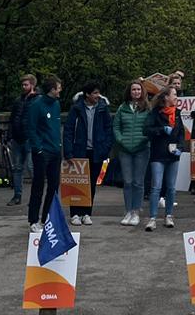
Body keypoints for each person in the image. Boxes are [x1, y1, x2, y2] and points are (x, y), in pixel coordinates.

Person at [63, 80, 112, 225]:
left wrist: (105, 148)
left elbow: (109, 129)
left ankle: (86, 213)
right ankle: (75, 214)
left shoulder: (103, 109)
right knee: (76, 183)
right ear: (87, 94)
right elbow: (68, 131)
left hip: (96, 151)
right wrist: (68, 152)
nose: (98, 95)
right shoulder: (76, 109)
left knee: (91, 184)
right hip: (79, 151)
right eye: (95, 93)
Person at [145, 86, 187, 230]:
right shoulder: (155, 113)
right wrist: (161, 130)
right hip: (158, 153)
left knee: (171, 187)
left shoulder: (177, 114)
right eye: (174, 94)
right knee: (156, 186)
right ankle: (152, 217)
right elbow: (147, 130)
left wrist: (181, 148)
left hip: (173, 154)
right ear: (166, 97)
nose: (176, 97)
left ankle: (169, 215)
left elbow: (181, 133)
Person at [26, 75, 64, 230]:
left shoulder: (56, 104)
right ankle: (33, 220)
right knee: (38, 185)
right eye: (58, 87)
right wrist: (38, 148)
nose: (60, 90)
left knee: (54, 186)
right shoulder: (36, 105)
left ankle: (47, 217)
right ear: (52, 89)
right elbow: (31, 128)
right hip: (43, 151)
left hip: (55, 150)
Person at [113, 81, 152, 226]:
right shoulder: (122, 108)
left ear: (142, 91)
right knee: (128, 182)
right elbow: (116, 126)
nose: (136, 92)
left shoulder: (147, 108)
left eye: (138, 89)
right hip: (125, 150)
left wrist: (143, 139)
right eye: (133, 89)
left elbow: (150, 127)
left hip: (142, 149)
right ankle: (128, 211)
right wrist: (120, 139)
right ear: (129, 92)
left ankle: (136, 211)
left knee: (138, 182)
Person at [7, 73, 38, 207]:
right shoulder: (18, 100)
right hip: (18, 137)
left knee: (31, 167)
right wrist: (10, 135)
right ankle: (17, 195)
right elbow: (13, 119)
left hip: (29, 138)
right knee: (17, 168)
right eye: (23, 84)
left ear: (32, 85)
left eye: (26, 84)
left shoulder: (37, 100)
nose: (23, 87)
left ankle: (35, 195)